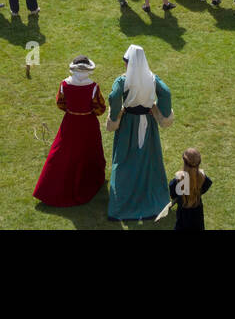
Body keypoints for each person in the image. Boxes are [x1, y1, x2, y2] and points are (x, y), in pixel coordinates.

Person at [106, 45, 173, 222]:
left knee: (124, 158)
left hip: (128, 123)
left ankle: (124, 201)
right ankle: (150, 196)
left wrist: (115, 115)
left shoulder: (122, 80)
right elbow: (165, 93)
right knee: (149, 158)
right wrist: (163, 113)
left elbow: (113, 97)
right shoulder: (152, 78)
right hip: (148, 121)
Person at [32, 56, 108, 207]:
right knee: (88, 150)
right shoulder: (93, 87)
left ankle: (51, 186)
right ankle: (87, 179)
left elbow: (60, 103)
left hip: (70, 123)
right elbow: (100, 108)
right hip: (88, 124)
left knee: (63, 151)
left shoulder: (64, 84)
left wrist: (73, 110)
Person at [169, 147, 212, 231]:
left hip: (182, 218)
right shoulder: (203, 178)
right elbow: (205, 188)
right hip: (197, 218)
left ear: (184, 162)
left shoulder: (177, 180)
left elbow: (173, 195)